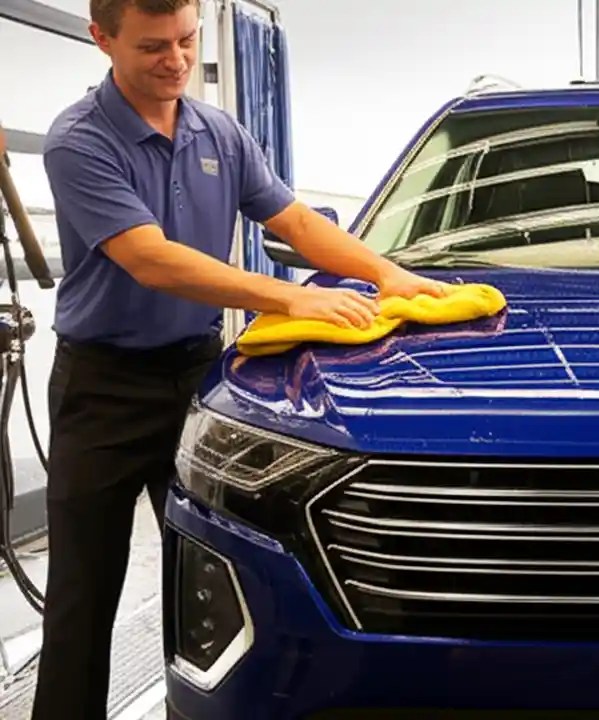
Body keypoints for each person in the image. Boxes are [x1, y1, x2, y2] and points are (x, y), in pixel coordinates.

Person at [30, 1, 446, 717]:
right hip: (102, 390)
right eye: (154, 47)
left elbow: (295, 221)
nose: (178, 60)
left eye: (188, 41)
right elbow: (151, 259)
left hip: (197, 376)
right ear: (102, 40)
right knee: (82, 600)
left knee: (214, 578)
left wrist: (389, 275)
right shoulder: (78, 140)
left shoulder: (216, 129)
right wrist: (286, 300)